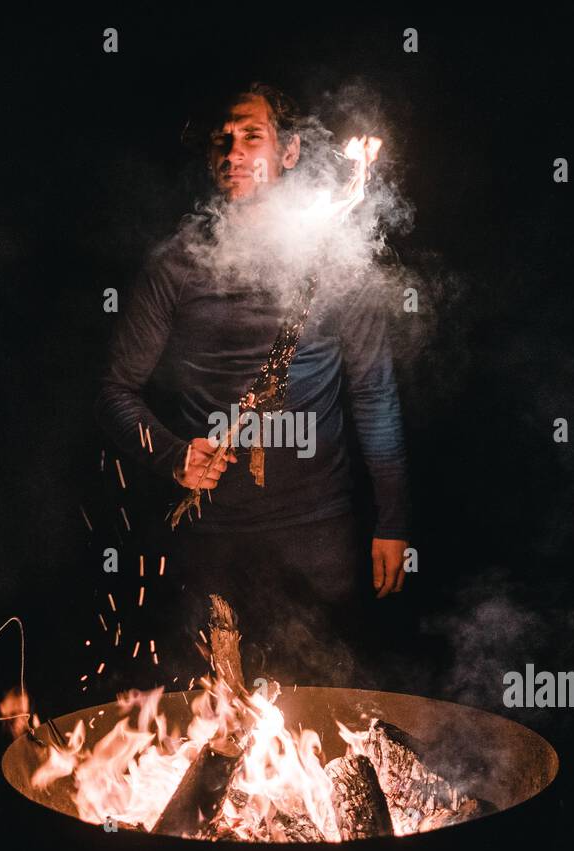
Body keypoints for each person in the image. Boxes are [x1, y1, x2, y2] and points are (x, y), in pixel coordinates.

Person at [95, 82, 411, 686]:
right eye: (223, 140)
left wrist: (392, 521)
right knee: (218, 730)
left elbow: (374, 394)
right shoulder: (176, 263)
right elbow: (115, 392)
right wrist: (173, 457)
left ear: (290, 151)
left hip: (319, 537)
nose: (233, 152)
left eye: (251, 135)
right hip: (211, 540)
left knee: (320, 726)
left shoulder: (337, 257)